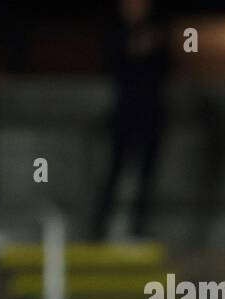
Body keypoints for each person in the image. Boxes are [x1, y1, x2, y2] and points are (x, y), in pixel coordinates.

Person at [91, 0, 170, 241]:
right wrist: (132, 50)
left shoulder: (158, 34)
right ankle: (98, 230)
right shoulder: (115, 34)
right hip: (123, 114)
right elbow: (110, 65)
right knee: (113, 173)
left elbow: (169, 67)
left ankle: (138, 230)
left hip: (151, 115)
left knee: (146, 176)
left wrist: (152, 48)